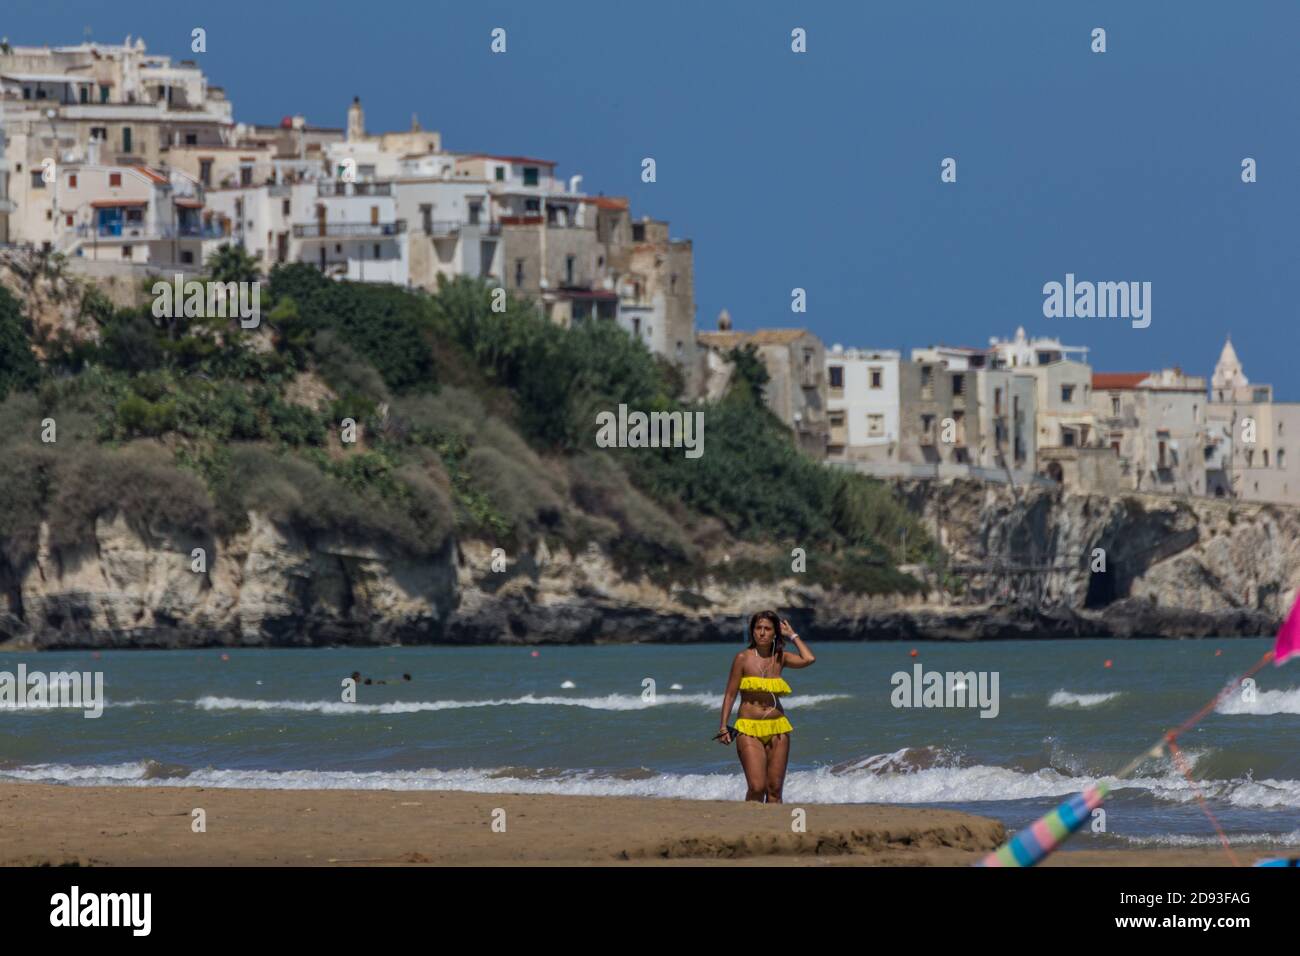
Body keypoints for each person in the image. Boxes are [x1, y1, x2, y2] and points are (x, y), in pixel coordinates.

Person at [717, 610, 816, 802]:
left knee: (774, 790)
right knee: (757, 787)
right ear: (753, 631)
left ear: (775, 633)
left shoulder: (780, 658)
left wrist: (793, 635)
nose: (762, 633)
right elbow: (730, 694)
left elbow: (809, 659)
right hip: (748, 728)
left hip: (778, 728)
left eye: (767, 629)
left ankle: (772, 830)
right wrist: (723, 726)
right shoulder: (742, 658)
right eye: (758, 628)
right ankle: (750, 827)